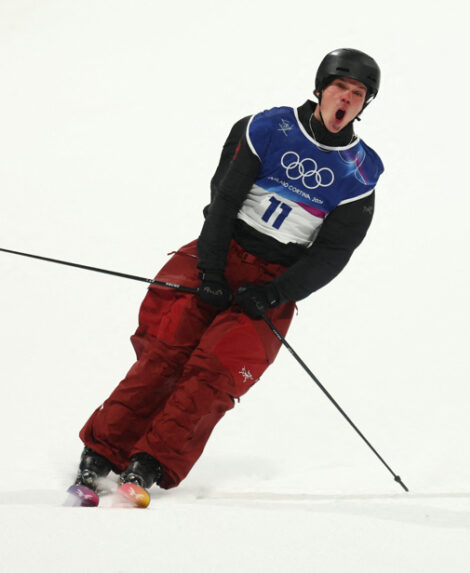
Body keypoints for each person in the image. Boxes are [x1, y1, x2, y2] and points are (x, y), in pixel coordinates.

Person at [75, 48, 384, 493]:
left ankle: (149, 463)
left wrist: (274, 293)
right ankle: (102, 451)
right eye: (340, 87)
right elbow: (223, 200)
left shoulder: (361, 172)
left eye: (358, 93)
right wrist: (212, 271)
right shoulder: (267, 128)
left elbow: (334, 253)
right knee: (166, 353)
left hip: (272, 283)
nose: (347, 99)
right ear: (321, 88)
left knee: (214, 374)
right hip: (219, 253)